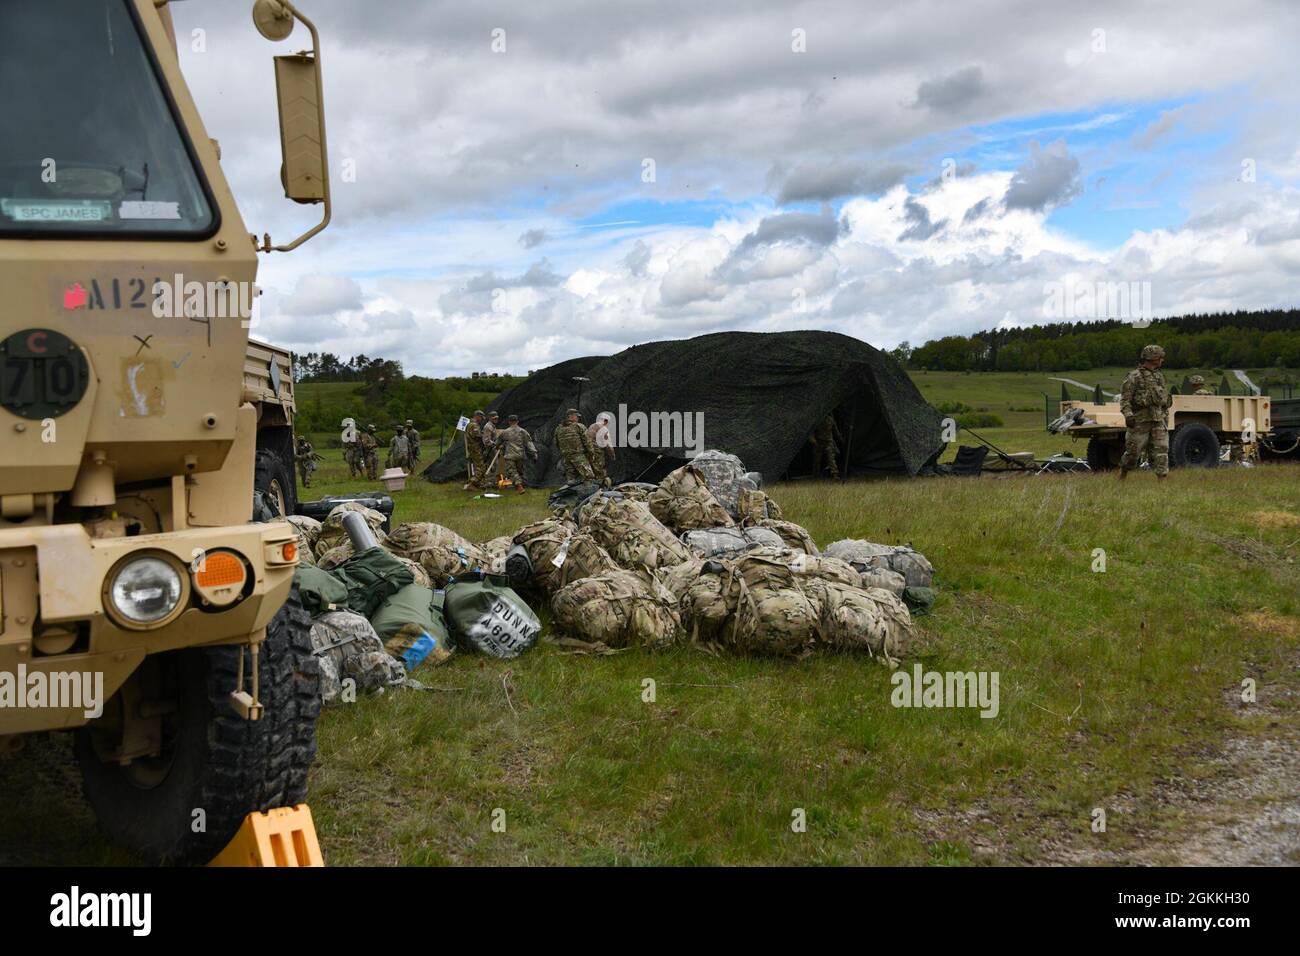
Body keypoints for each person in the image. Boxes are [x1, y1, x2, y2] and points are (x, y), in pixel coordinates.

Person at [1119, 345, 1172, 480]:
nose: (1162, 360)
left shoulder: (1159, 376)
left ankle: (1162, 481)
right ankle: (1123, 474)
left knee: (1161, 450)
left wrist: (1165, 415)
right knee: (1133, 453)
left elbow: (1164, 399)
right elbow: (1125, 400)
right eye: (1160, 357)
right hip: (1140, 421)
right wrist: (1128, 415)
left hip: (1158, 420)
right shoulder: (1134, 377)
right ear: (1153, 358)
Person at [497, 413, 537, 494]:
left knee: (512, 471)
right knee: (519, 472)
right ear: (517, 421)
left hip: (510, 455)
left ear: (509, 422)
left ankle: (519, 487)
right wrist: (534, 453)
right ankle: (518, 486)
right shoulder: (523, 431)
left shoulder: (505, 432)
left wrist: (498, 446)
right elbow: (529, 443)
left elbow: (498, 442)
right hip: (520, 455)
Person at [555, 408, 596, 483]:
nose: (578, 418)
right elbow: (587, 441)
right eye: (576, 416)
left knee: (571, 480)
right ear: (570, 416)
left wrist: (565, 451)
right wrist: (591, 453)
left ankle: (572, 493)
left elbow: (556, 443)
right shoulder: (579, 426)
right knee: (589, 476)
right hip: (578, 456)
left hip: (566, 457)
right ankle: (588, 493)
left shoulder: (558, 428)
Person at [587, 411, 615, 487]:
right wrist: (612, 455)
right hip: (596, 452)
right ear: (605, 421)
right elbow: (609, 445)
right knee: (600, 472)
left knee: (591, 469)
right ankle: (600, 488)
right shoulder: (604, 429)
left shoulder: (591, 426)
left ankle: (591, 484)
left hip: (587, 451)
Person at [811, 414, 841, 479]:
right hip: (819, 442)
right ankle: (816, 476)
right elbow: (811, 431)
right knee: (817, 460)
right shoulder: (816, 420)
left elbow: (835, 430)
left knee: (831, 458)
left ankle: (835, 474)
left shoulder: (830, 419)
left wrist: (840, 438)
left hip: (828, 442)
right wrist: (813, 441)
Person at [464, 410, 487, 490]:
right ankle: (472, 483)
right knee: (481, 467)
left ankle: (477, 483)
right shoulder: (474, 425)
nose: (481, 420)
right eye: (481, 418)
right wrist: (483, 435)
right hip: (475, 448)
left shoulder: (469, 424)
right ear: (477, 416)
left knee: (477, 466)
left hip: (472, 448)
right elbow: (478, 436)